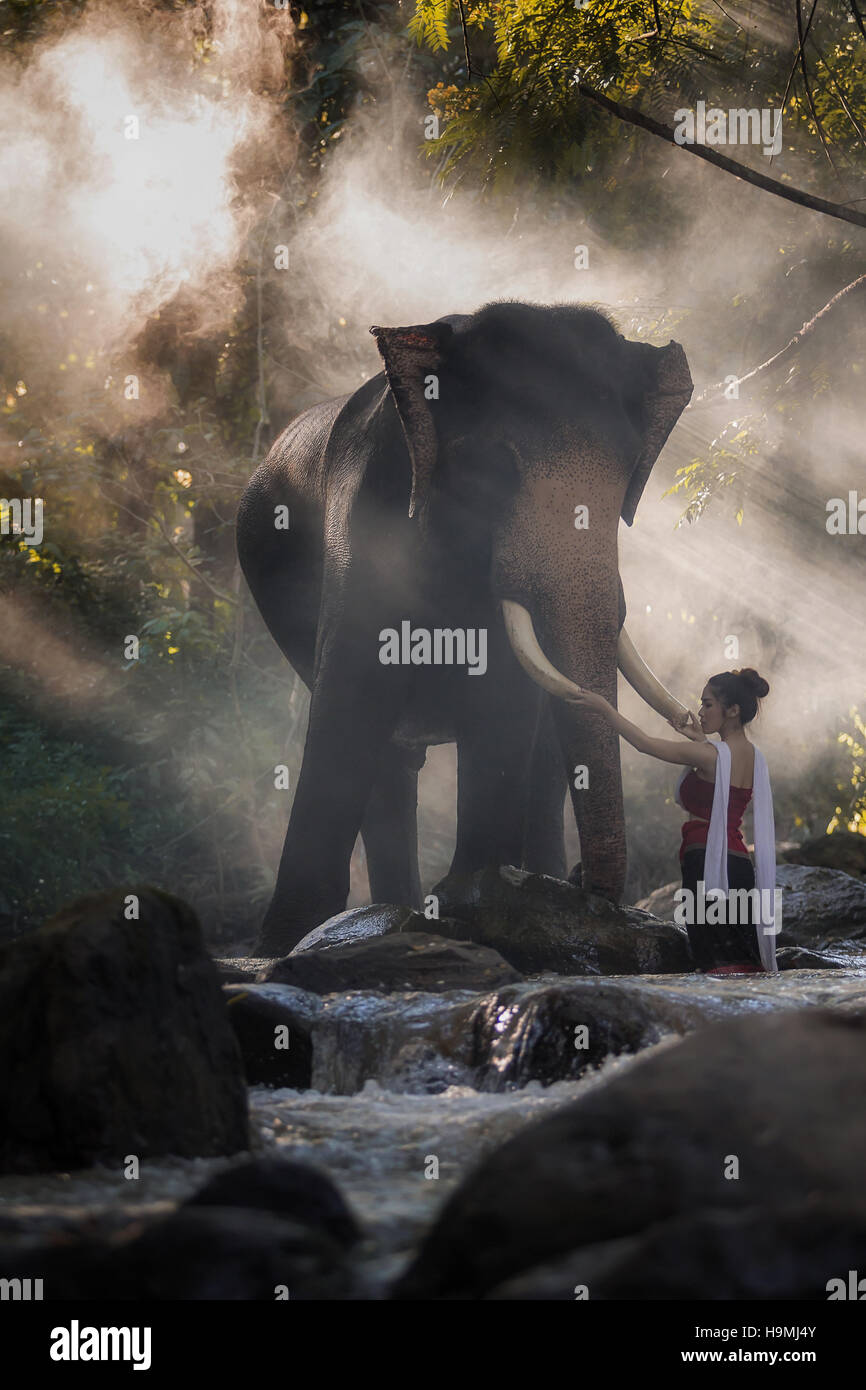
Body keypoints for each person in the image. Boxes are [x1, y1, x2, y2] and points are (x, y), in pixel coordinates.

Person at [567, 668, 775, 975]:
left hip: (707, 861)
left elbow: (644, 744)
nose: (700, 711)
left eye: (708, 704)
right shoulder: (755, 757)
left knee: (713, 962)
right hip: (739, 865)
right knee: (742, 962)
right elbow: (721, 779)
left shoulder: (710, 756)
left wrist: (605, 709)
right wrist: (701, 741)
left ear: (732, 711)